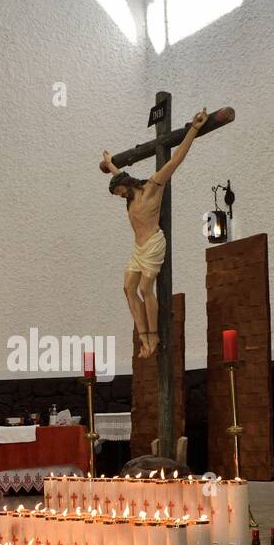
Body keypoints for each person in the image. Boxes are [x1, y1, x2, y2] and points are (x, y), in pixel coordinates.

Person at [100, 107, 209, 358]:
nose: (120, 198)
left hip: (153, 243)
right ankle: (143, 336)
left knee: (146, 288)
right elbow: (120, 175)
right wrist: (110, 164)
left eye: (119, 193)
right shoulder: (128, 192)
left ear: (126, 187)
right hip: (138, 248)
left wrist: (194, 128)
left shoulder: (152, 187)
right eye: (118, 195)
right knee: (128, 288)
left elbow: (175, 160)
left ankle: (154, 336)